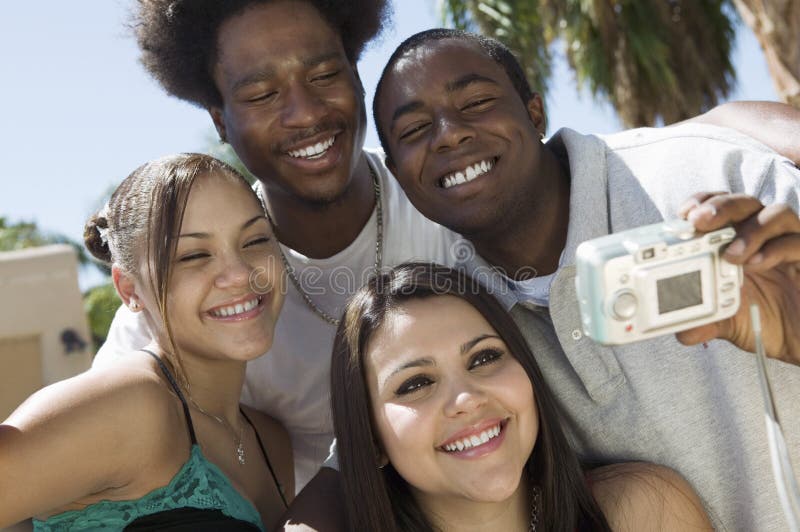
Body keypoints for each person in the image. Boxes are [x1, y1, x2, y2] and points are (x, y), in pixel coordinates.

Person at [372, 28, 800, 531]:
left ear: (535, 114)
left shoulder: (711, 176)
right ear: (399, 177)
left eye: (477, 101)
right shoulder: (461, 322)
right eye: (414, 130)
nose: (448, 133)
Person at [0, 153, 293, 530]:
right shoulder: (128, 407)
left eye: (254, 240)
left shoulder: (273, 444)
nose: (239, 274)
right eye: (194, 255)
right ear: (128, 289)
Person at [331, 262, 713, 532]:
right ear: (371, 438)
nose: (466, 397)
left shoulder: (643, 510)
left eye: (484, 357)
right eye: (415, 384)